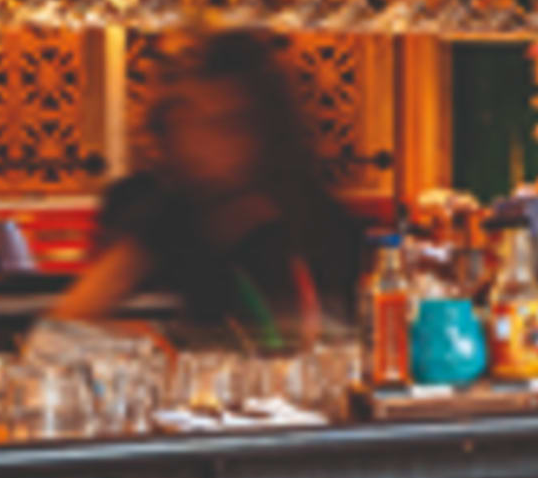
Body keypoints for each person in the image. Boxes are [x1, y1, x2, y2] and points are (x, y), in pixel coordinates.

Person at [55, 31, 366, 343]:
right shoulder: (167, 215)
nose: (200, 143)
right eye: (187, 122)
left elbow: (343, 334)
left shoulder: (320, 222)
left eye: (224, 125)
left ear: (263, 129)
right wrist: (146, 342)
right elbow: (70, 321)